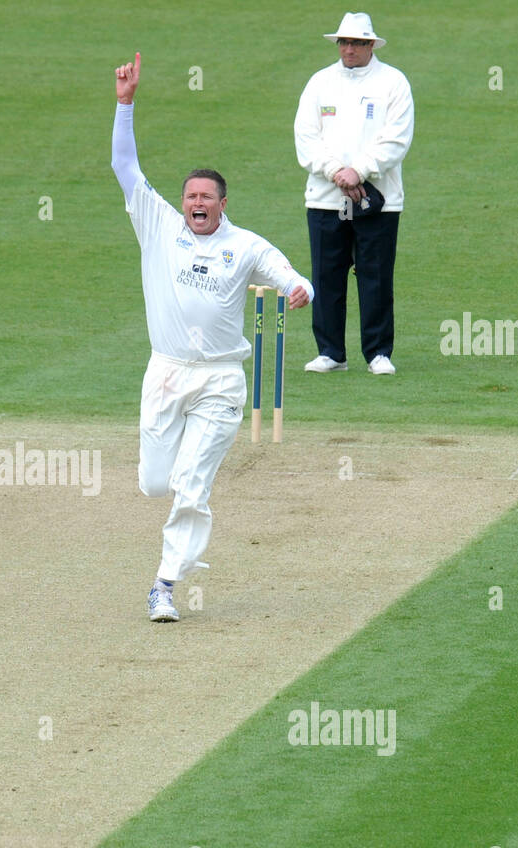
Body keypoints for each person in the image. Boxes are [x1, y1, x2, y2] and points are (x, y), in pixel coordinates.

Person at [112, 52, 313, 623]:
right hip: (167, 371)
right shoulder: (157, 224)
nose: (197, 203)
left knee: (192, 486)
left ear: (223, 205)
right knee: (157, 483)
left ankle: (165, 584)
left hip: (222, 378)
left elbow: (287, 272)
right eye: (191, 196)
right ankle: (175, 502)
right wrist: (125, 106)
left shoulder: (242, 244)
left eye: (207, 197)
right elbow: (126, 168)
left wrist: (302, 290)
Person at [294, 12, 413, 375]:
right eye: (344, 42)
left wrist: (359, 170)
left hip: (377, 199)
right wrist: (336, 172)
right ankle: (331, 352)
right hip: (325, 198)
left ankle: (378, 353)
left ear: (370, 45)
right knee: (327, 276)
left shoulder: (393, 83)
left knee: (375, 276)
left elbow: (397, 139)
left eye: (357, 43)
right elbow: (306, 137)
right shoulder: (320, 83)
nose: (349, 49)